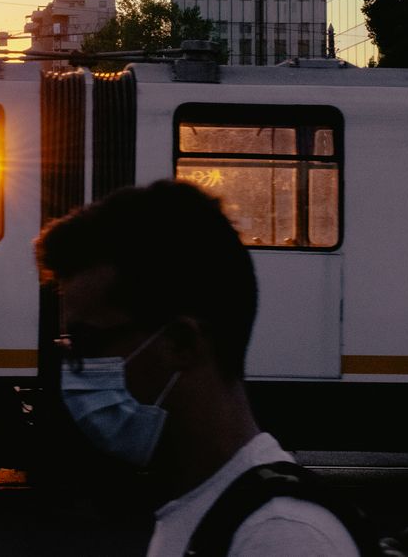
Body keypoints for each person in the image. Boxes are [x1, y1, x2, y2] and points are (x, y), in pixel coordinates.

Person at [34, 180, 359, 557]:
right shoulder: (204, 507)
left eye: (87, 343)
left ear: (181, 344)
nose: (76, 367)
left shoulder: (279, 538)